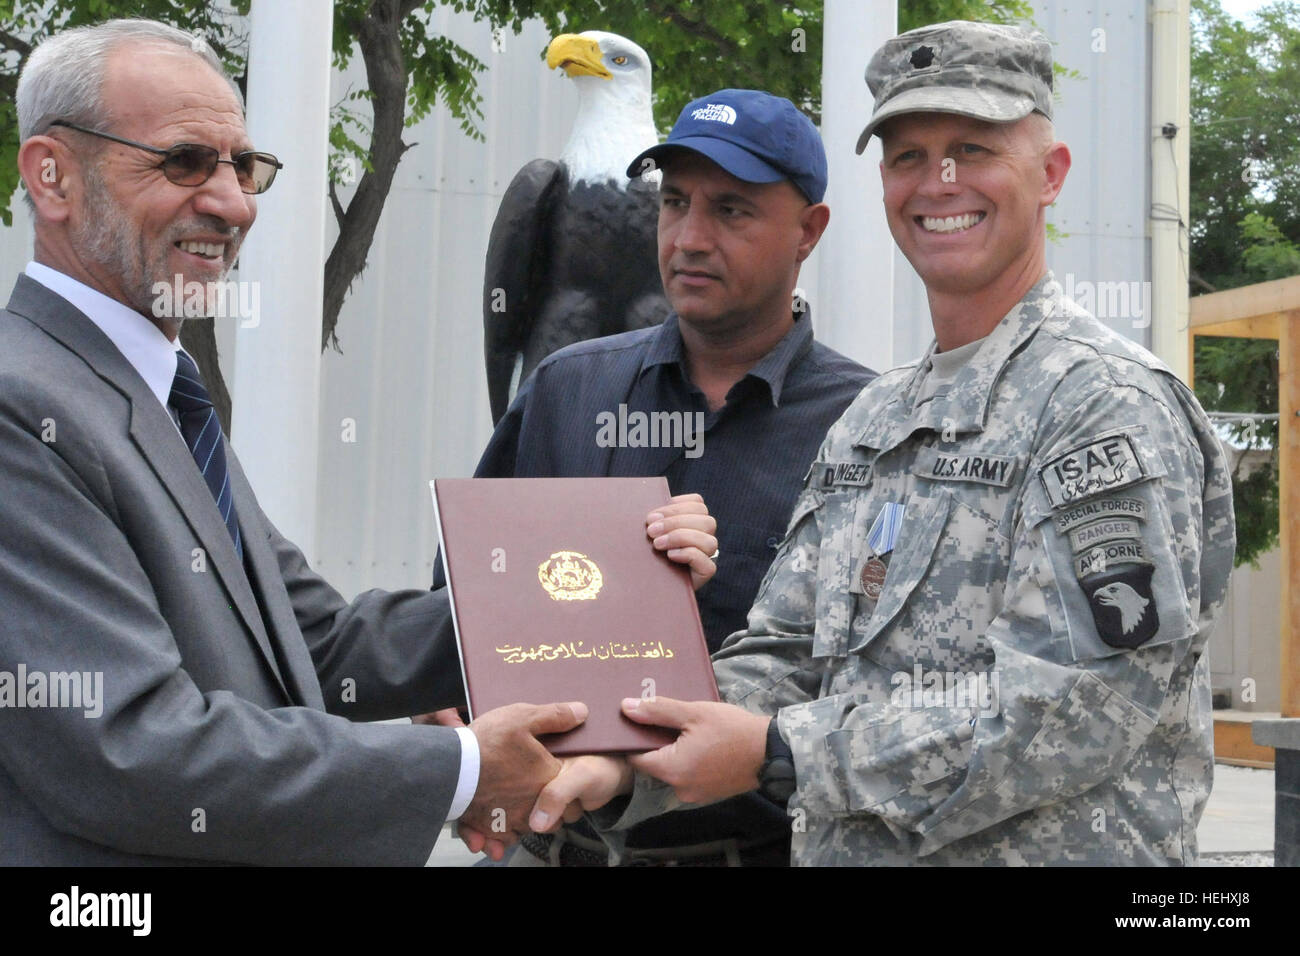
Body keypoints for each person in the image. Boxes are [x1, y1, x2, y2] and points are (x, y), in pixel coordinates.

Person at [0, 18, 715, 865]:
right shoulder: (22, 405)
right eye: (183, 161)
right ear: (51, 176)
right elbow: (130, 748)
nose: (232, 204)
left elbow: (322, 646)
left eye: (245, 167)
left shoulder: (153, 395)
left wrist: (611, 591)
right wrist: (463, 770)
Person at [535, 20, 1236, 866]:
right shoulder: (873, 420)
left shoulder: (1104, 406)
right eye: (907, 157)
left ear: (1049, 175)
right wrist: (621, 757)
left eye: (972, 149)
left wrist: (782, 752)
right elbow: (785, 651)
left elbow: (1081, 703)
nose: (938, 183)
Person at [444, 89, 875, 866]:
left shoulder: (868, 428)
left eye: (732, 211)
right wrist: (446, 688)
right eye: (674, 203)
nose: (689, 238)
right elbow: (469, 596)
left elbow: (878, 680)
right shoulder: (566, 390)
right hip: (557, 847)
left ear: (809, 231)